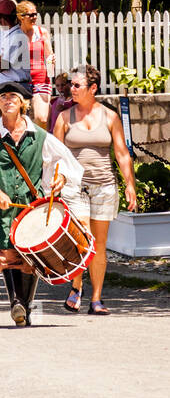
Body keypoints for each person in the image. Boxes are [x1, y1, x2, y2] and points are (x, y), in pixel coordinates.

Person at [0, 84, 83, 325]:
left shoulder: (39, 136)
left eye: (12, 97)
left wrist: (60, 178)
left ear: (22, 103)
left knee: (31, 256)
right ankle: (16, 301)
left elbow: (65, 162)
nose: (7, 101)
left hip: (33, 205)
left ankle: (24, 305)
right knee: (7, 253)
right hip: (3, 207)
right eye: (3, 98)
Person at [53, 65, 137, 314]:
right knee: (83, 239)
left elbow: (122, 154)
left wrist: (130, 184)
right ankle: (77, 286)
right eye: (71, 85)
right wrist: (56, 180)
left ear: (93, 88)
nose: (72, 89)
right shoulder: (64, 117)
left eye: (77, 85)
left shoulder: (110, 117)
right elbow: (55, 156)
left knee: (99, 245)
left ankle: (96, 299)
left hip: (105, 186)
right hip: (74, 187)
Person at [0, 0, 31, 128]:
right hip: (2, 89)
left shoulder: (18, 36)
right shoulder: (0, 35)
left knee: (15, 128)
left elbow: (1, 66)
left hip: (16, 89)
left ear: (0, 16)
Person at [16, 1, 56, 128]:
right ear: (20, 16)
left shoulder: (41, 32)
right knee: (19, 121)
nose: (34, 17)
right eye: (30, 15)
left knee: (42, 118)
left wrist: (51, 61)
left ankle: (42, 145)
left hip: (40, 79)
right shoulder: (14, 35)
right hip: (21, 82)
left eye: (35, 14)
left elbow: (49, 55)